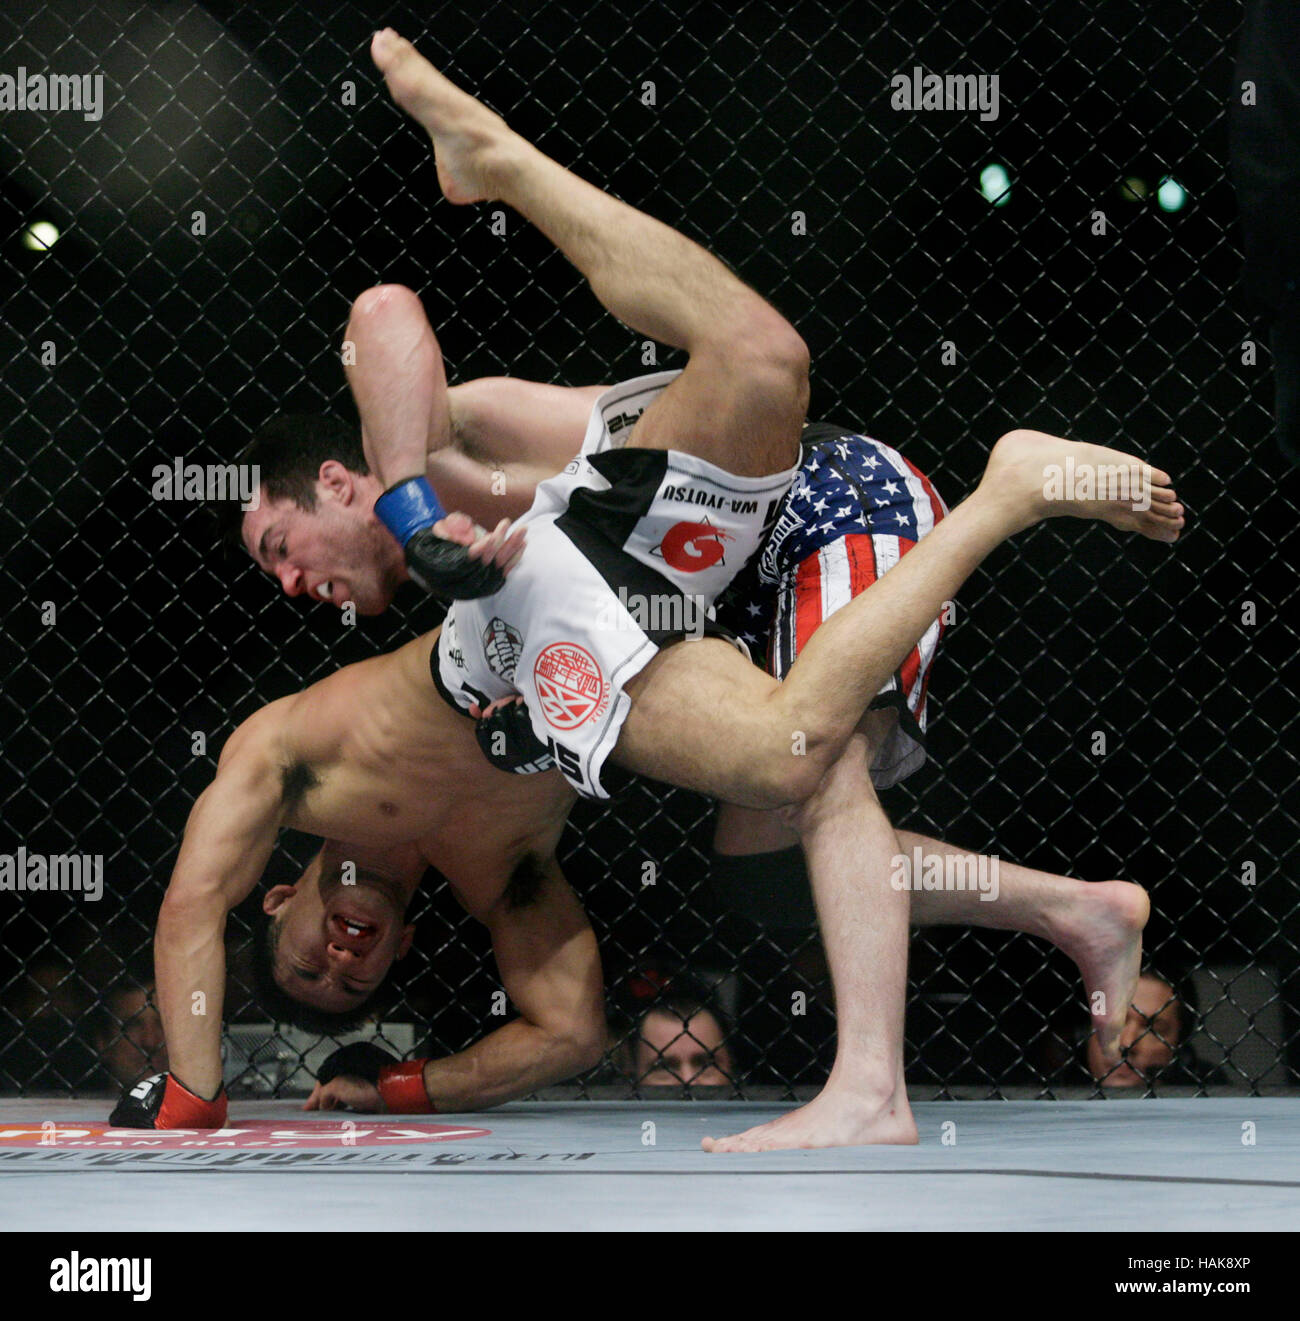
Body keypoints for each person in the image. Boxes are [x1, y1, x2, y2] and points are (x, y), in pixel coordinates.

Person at [199, 29, 1183, 1151]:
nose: (287, 581)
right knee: (764, 862)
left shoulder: (450, 437)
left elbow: (381, 317)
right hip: (673, 579)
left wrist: (413, 509)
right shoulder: (491, 530)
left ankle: (871, 1084)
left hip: (811, 508)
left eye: (278, 541)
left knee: (810, 741)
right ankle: (1076, 908)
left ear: (335, 479)